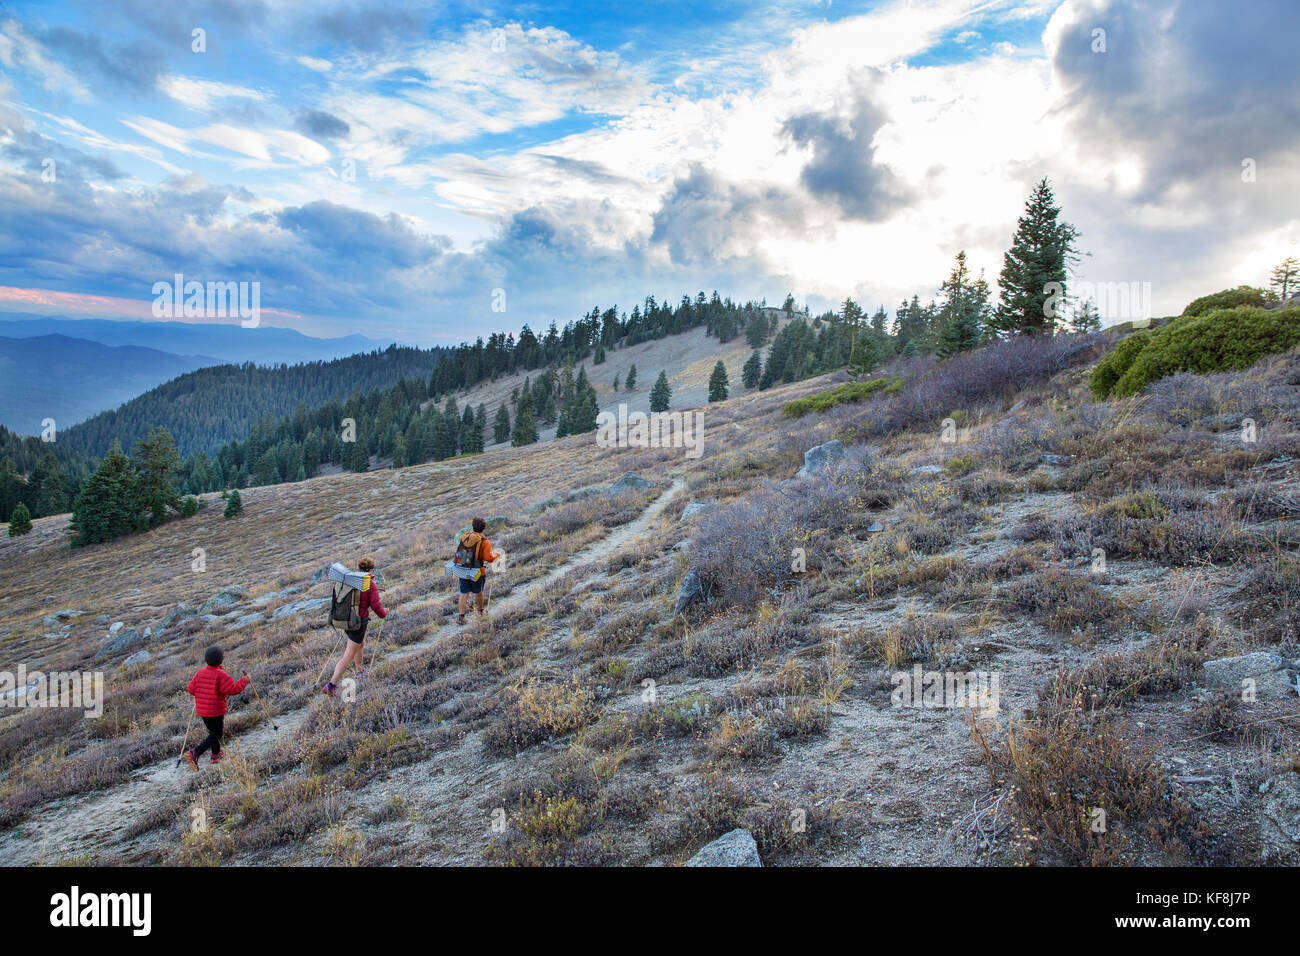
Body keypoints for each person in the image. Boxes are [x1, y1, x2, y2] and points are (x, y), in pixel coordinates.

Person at [323, 556, 387, 696]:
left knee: (360, 644)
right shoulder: (370, 583)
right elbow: (376, 606)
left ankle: (359, 672)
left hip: (348, 620)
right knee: (348, 655)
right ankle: (331, 685)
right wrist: (384, 614)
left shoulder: (352, 581)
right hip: (358, 622)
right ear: (371, 569)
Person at [184, 646, 250, 769]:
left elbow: (191, 689)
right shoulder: (221, 675)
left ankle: (215, 755)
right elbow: (233, 689)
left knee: (212, 732)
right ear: (221, 660)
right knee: (216, 734)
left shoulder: (200, 673)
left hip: (203, 712)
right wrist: (245, 680)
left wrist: (200, 692)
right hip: (216, 711)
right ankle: (195, 753)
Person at [455, 516, 499, 625]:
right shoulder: (484, 541)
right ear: (483, 528)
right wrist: (496, 556)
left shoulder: (465, 536)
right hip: (477, 571)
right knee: (478, 591)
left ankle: (461, 617)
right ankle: (480, 612)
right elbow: (488, 558)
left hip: (463, 569)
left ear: (473, 526)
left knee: (464, 592)